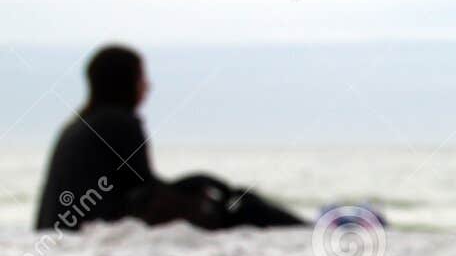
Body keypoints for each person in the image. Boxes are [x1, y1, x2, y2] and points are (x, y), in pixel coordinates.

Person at [35, 44, 305, 232]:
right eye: (142, 77)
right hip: (96, 224)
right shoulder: (120, 122)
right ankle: (307, 229)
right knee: (236, 204)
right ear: (126, 81)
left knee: (216, 192)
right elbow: (143, 185)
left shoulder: (78, 124)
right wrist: (198, 187)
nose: (147, 86)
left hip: (61, 226)